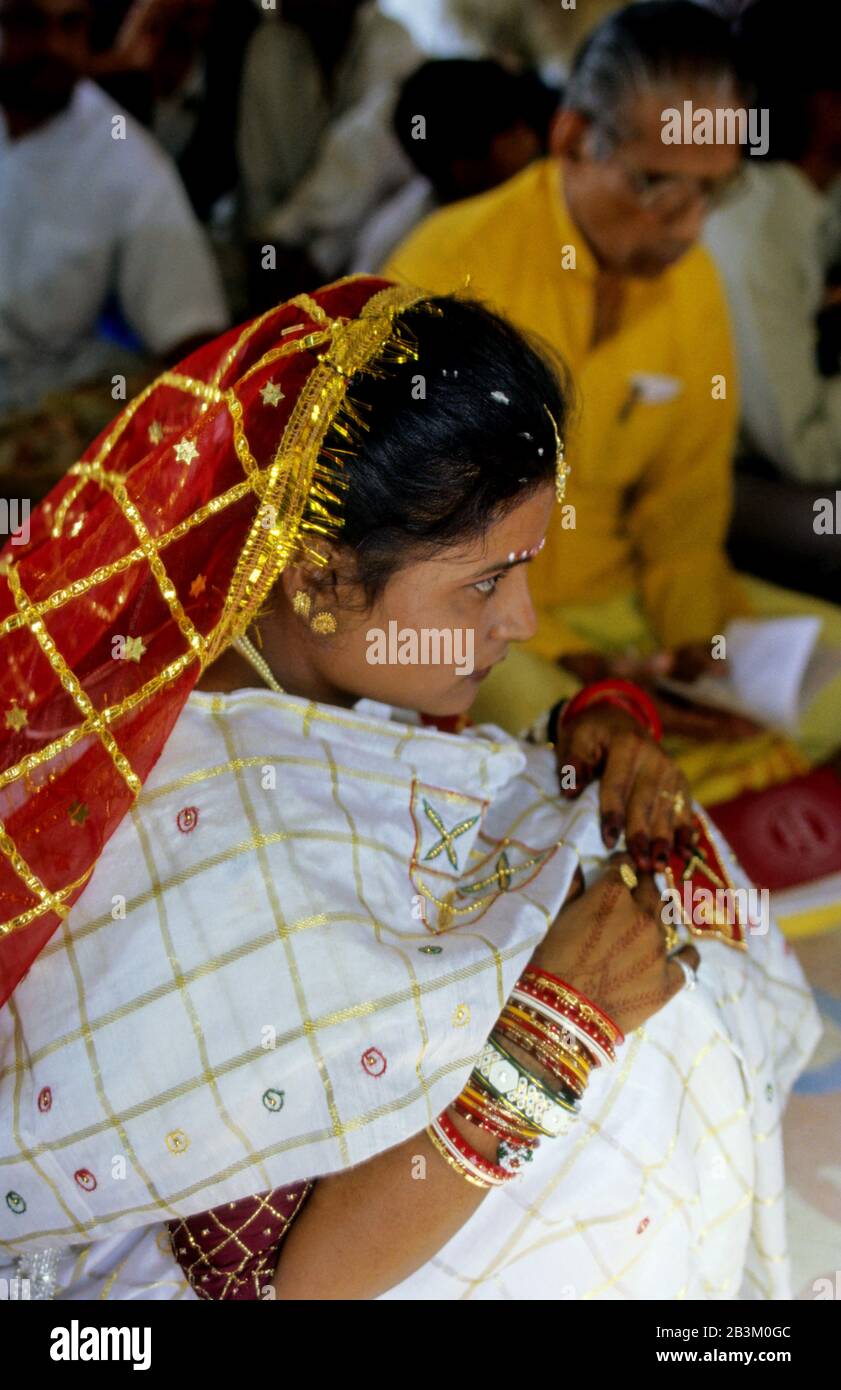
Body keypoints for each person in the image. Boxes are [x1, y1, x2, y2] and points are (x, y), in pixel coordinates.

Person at [0, 277, 818, 1300]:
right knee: (638, 1058)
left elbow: (396, 794)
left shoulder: (251, 674)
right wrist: (555, 1031)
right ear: (320, 580)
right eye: (485, 582)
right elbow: (285, 1282)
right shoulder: (213, 828)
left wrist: (576, 732)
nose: (520, 621)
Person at [384, 1, 841, 804]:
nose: (686, 227)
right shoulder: (450, 265)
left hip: (627, 610)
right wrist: (579, 667)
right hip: (480, 619)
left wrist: (694, 644)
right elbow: (422, 550)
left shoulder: (689, 282)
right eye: (655, 184)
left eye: (714, 190)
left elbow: (685, 511)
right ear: (570, 140)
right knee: (578, 748)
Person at [0, 0, 229, 418]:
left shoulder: (128, 162)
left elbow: (194, 337)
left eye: (70, 25)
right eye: (29, 22)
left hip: (33, 422)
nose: (52, 46)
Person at [702, 0, 841, 596]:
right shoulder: (758, 236)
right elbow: (805, 453)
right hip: (735, 478)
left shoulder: (810, 191)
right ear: (826, 107)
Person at [238, 0, 419, 304]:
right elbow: (259, 179)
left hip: (368, 260)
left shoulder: (394, 44)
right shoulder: (270, 46)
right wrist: (268, 249)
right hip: (282, 258)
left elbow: (371, 166)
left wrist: (310, 253)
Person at [353, 59, 555, 274]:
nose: (530, 140)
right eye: (513, 130)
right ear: (466, 170)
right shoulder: (398, 251)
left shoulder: (547, 189)